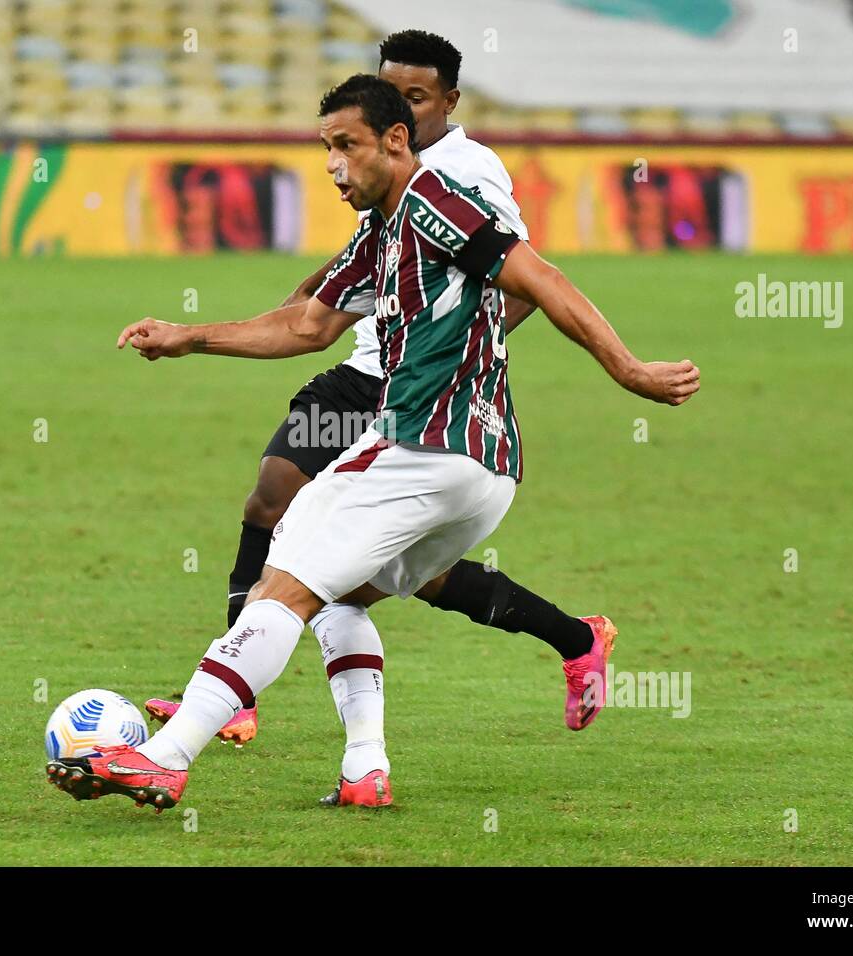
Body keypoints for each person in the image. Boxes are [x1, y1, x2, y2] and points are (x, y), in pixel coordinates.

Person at [46, 75, 700, 812]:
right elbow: (306, 326)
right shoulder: (380, 231)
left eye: (346, 146)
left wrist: (629, 369)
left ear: (395, 141)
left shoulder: (435, 203)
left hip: (422, 442)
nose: (332, 165)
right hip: (487, 474)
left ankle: (164, 758)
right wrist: (189, 337)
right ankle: (366, 770)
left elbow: (538, 275)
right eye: (326, 148)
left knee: (281, 577)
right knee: (336, 597)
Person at [146, 30, 609, 757]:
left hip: (416, 399)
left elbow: (523, 274)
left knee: (331, 565)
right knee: (276, 505)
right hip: (365, 377)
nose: (402, 108)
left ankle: (207, 722)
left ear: (444, 104)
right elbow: (311, 316)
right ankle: (257, 706)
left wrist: (467, 353)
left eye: (417, 98)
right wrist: (194, 334)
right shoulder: (380, 188)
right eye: (390, 90)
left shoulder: (461, 174)